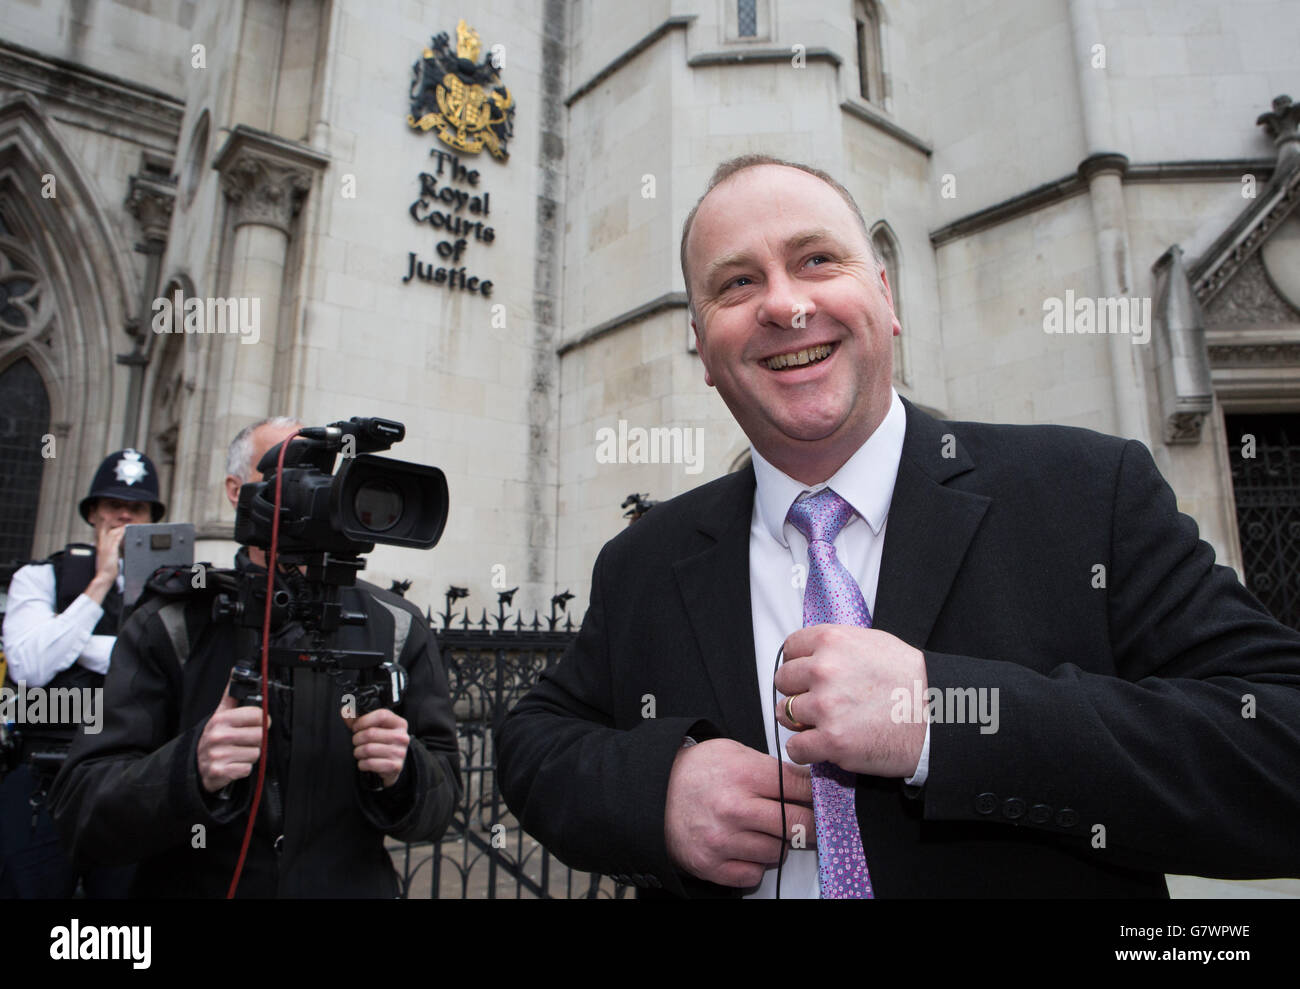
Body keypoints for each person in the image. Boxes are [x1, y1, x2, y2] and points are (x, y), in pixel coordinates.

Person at [495, 155, 1300, 898]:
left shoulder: (1088, 494)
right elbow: (534, 744)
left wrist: (941, 718)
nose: (784, 303)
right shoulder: (645, 559)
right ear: (703, 349)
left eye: (816, 259)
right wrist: (656, 789)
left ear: (888, 297)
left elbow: (1278, 750)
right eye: (737, 284)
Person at [49, 417, 461, 897]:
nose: (310, 495)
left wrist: (402, 772)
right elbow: (80, 814)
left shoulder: (397, 626)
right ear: (234, 489)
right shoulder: (172, 623)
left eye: (321, 479)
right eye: (286, 476)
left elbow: (441, 807)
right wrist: (189, 769)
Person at [1, 448, 165, 897]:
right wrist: (99, 584)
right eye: (113, 505)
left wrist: (77, 648)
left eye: (137, 508)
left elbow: (173, 667)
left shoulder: (164, 590)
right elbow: (30, 667)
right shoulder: (41, 577)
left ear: (152, 518)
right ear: (93, 513)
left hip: (127, 783)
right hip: (43, 775)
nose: (124, 515)